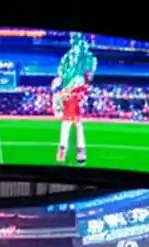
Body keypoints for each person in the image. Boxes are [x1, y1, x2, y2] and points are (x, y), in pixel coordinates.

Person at [51, 32, 97, 164]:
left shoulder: (86, 57)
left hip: (75, 90)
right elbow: (61, 74)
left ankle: (68, 150)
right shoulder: (73, 57)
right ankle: (73, 151)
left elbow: (89, 74)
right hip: (72, 91)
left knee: (72, 123)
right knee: (74, 123)